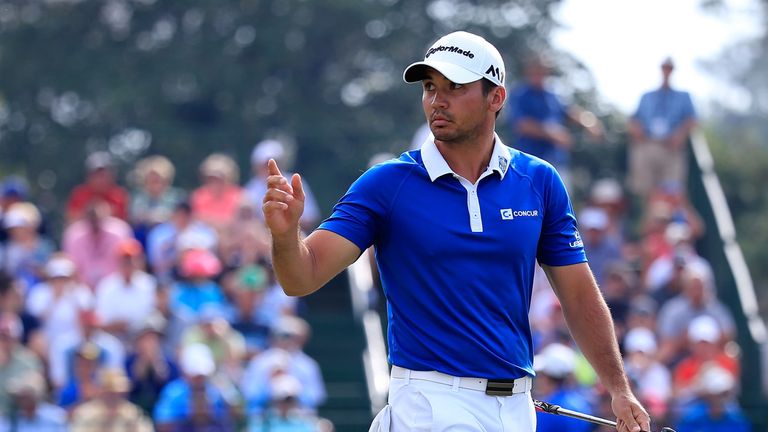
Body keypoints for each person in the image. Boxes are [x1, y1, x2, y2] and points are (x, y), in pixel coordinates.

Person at [263, 30, 649, 432]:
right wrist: (286, 236)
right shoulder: (386, 184)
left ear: (495, 97)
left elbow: (579, 294)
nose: (437, 100)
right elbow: (302, 277)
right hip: (428, 404)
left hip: (517, 407)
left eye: (455, 87)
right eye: (430, 87)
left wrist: (618, 388)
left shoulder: (539, 181)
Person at [506, 55, 603, 183]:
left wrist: (589, 124)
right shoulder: (520, 94)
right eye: (536, 70)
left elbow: (570, 111)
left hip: (557, 162)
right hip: (529, 163)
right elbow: (522, 125)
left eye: (542, 71)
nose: (539, 74)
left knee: (558, 201)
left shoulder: (553, 94)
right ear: (528, 71)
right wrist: (552, 134)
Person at [628, 57, 697, 199]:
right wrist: (637, 133)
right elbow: (633, 119)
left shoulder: (683, 96)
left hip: (671, 148)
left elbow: (692, 120)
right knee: (646, 192)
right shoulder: (646, 96)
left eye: (669, 68)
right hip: (648, 145)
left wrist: (680, 136)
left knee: (671, 192)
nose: (666, 71)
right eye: (664, 67)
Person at [246, 139, 321, 233]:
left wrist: (287, 221)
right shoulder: (251, 189)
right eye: (266, 164)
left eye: (275, 163)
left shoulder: (295, 181)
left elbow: (310, 218)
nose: (271, 168)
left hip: (294, 235)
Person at [67, 150, 130, 222]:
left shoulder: (119, 196)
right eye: (96, 175)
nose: (101, 180)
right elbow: (72, 220)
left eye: (104, 175)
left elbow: (122, 223)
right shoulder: (79, 194)